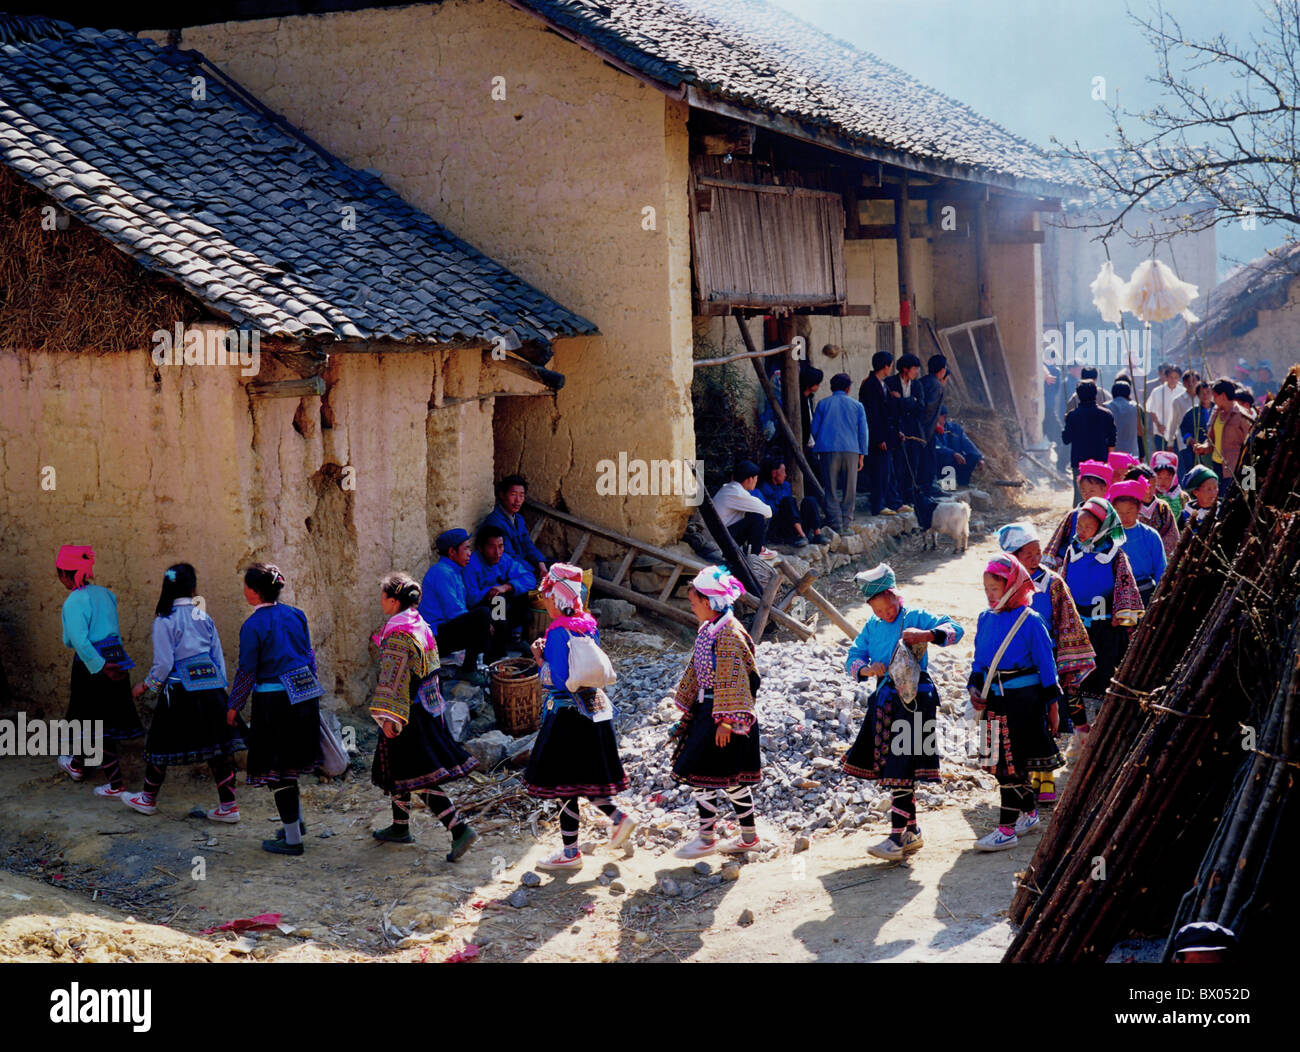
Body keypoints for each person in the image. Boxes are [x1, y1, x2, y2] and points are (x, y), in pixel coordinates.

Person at [841, 563, 963, 860]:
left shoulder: (916, 616)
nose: (885, 615)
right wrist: (867, 669)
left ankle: (898, 838)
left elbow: (955, 629)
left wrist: (926, 635)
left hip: (915, 703)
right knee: (898, 767)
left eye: (889, 608)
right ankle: (911, 832)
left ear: (897, 596)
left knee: (900, 766)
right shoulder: (872, 627)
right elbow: (853, 657)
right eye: (878, 611)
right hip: (885, 703)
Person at [522, 564, 638, 871]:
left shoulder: (558, 630)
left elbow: (556, 680)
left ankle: (571, 852)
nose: (544, 600)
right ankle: (619, 819)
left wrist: (539, 660)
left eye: (546, 595)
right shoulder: (588, 625)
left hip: (567, 716)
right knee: (586, 778)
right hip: (596, 709)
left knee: (566, 785)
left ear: (557, 596)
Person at [368, 573, 478, 860]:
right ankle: (399, 826)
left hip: (406, 712)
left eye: (383, 597)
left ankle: (458, 828)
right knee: (402, 770)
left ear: (393, 601)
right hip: (427, 706)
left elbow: (393, 679)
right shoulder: (419, 624)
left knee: (419, 775)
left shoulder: (397, 632)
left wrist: (390, 716)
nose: (380, 602)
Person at [122, 564, 244, 821]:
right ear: (192, 588)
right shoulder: (203, 617)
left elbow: (164, 665)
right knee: (219, 746)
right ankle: (229, 805)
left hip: (180, 690)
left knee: (160, 742)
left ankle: (147, 798)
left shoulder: (164, 620)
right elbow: (217, 657)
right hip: (211, 688)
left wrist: (145, 687)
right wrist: (220, 691)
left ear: (167, 586)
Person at [968, 554, 1064, 851]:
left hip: (1023, 702)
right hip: (994, 700)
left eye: (994, 588)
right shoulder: (985, 619)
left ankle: (1006, 830)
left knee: (1010, 765)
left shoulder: (1031, 621)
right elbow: (980, 661)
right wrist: (973, 687)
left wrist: (1053, 707)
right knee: (1002, 765)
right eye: (986, 589)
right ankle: (1030, 814)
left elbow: (1047, 668)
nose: (989, 594)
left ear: (1011, 585)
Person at [995, 523, 1095, 805]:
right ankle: (1027, 778)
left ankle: (1047, 779)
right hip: (1017, 665)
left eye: (1037, 552)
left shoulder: (1053, 583)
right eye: (1027, 554)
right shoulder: (1003, 585)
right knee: (1024, 721)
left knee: (1048, 719)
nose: (1035, 558)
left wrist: (1067, 658)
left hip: (1046, 659)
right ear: (1012, 557)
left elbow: (1068, 621)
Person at [227, 563, 323, 856]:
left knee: (277, 768)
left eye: (246, 586)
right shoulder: (296, 615)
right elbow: (309, 656)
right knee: (290, 763)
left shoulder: (253, 626)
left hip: (275, 703)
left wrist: (234, 705)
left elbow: (247, 670)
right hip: (305, 695)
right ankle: (297, 823)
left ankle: (292, 840)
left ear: (254, 592)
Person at [670, 566, 765, 858]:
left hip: (723, 715)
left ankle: (712, 838)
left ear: (710, 602)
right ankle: (735, 836)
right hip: (709, 711)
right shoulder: (710, 631)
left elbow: (737, 679)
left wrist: (726, 721)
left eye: (694, 602)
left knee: (712, 775)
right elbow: (697, 671)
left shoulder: (728, 636)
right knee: (718, 776)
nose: (692, 607)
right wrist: (687, 706)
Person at [54, 545, 145, 795]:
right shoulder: (106, 594)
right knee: (102, 719)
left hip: (92, 664)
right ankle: (77, 764)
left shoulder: (73, 601)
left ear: (63, 574)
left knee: (91, 722)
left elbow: (77, 641)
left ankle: (115, 784)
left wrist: (101, 666)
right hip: (117, 658)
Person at [1060, 499, 1143, 736]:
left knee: (1102, 673)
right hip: (1077, 628)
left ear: (1103, 528)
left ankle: (1101, 725)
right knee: (1074, 676)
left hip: (1105, 628)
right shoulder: (1072, 551)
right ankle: (1078, 727)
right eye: (1079, 525)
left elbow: (1126, 585)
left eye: (1088, 526)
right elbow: (1063, 583)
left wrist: (1122, 616)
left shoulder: (1114, 555)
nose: (1082, 530)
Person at [419, 528, 496, 680]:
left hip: (444, 631)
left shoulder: (454, 571)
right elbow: (453, 612)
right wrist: (483, 624)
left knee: (490, 611)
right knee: (482, 615)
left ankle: (485, 662)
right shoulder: (442, 572)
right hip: (434, 639)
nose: (469, 553)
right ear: (452, 552)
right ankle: (468, 669)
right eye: (466, 548)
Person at [810, 372, 869, 531]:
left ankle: (835, 523)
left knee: (831, 488)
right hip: (851, 450)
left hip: (828, 451)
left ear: (831, 388)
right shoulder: (857, 406)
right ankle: (846, 523)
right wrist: (862, 455)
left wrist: (823, 440)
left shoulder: (823, 404)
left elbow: (814, 429)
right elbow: (863, 433)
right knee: (849, 489)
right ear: (848, 389)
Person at [464, 524, 538, 647]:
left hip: (502, 607)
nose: (497, 552)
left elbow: (529, 579)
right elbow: (471, 599)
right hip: (483, 610)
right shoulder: (471, 565)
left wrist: (507, 586)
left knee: (523, 597)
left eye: (500, 546)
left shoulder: (504, 559)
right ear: (480, 548)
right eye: (492, 547)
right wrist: (491, 590)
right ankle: (498, 647)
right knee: (498, 601)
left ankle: (514, 638)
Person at [1043, 460, 1113, 570]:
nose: (1087, 494)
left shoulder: (1110, 515)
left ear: (1104, 489)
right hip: (1075, 563)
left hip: (1103, 564)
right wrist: (1060, 557)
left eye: (1091, 491)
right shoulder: (1075, 514)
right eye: (1083, 491)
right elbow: (1065, 540)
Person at [1109, 481, 1168, 607]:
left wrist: (1159, 594)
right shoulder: (1109, 536)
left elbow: (1160, 567)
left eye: (1129, 511)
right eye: (1119, 512)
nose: (1124, 517)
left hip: (1145, 590)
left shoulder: (1150, 535)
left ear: (1138, 509)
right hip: (1115, 593)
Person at [858, 351, 901, 516]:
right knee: (880, 472)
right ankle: (878, 504)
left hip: (887, 434)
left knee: (889, 471)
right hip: (878, 436)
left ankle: (894, 502)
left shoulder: (882, 384)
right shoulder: (870, 385)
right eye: (890, 365)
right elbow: (872, 415)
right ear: (886, 366)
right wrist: (879, 438)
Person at [481, 475, 547, 581]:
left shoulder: (518, 519)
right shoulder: (495, 522)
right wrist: (534, 572)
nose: (518, 500)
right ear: (502, 495)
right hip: (507, 572)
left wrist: (541, 564)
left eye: (521, 495)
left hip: (523, 566)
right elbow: (508, 557)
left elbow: (528, 545)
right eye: (513, 495)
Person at [1062, 382, 1117, 504]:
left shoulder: (1072, 415)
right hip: (1100, 460)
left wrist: (1066, 422)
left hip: (1079, 461)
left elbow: (1066, 440)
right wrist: (1110, 460)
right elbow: (1112, 439)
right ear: (1096, 394)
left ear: (1078, 395)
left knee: (1081, 494)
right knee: (1100, 493)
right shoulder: (1106, 414)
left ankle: (1079, 518)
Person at [885, 353, 924, 519]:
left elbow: (921, 406)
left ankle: (910, 499)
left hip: (913, 431)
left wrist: (901, 401)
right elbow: (889, 407)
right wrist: (910, 402)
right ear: (905, 369)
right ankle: (898, 499)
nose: (916, 372)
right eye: (914, 369)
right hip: (896, 429)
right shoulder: (890, 383)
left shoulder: (916, 385)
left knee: (913, 464)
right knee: (898, 464)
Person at [756, 459, 827, 547]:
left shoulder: (786, 486)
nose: (785, 475)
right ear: (774, 473)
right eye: (783, 472)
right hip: (780, 527)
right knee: (788, 501)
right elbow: (771, 512)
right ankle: (802, 535)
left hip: (794, 523)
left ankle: (817, 534)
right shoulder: (764, 489)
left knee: (809, 500)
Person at [713, 460, 774, 556]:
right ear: (750, 479)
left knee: (753, 513)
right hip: (723, 540)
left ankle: (758, 548)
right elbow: (768, 511)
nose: (756, 481)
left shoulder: (729, 488)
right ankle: (755, 553)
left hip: (721, 534)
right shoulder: (737, 493)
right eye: (756, 478)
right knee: (757, 517)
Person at [1194, 378, 1252, 480]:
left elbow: (1250, 445)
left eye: (1215, 395)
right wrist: (1203, 447)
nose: (1213, 399)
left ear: (1223, 396)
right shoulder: (1216, 412)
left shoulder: (1241, 416)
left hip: (1234, 469)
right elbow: (1211, 440)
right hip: (1216, 466)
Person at [1125, 464, 1179, 559]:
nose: (1150, 491)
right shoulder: (1125, 508)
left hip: (1161, 558)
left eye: (1153, 486)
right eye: (1146, 487)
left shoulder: (1162, 507)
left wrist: (1157, 553)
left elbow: (1172, 535)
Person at [918, 354, 948, 500]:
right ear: (942, 370)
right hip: (926, 431)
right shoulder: (937, 385)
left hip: (920, 428)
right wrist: (931, 426)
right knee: (928, 460)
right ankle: (928, 490)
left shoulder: (922, 381)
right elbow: (929, 409)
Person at [935, 407, 984, 487]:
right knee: (947, 457)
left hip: (956, 462)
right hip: (940, 462)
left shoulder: (955, 429)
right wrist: (953, 453)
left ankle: (962, 484)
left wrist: (979, 458)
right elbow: (937, 446)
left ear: (943, 417)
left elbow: (968, 444)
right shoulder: (930, 429)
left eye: (936, 417)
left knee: (973, 457)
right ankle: (948, 486)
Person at [1180, 380, 1215, 476]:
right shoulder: (1192, 412)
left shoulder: (1218, 410)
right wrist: (1191, 440)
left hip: (1216, 450)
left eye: (1208, 392)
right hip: (1198, 450)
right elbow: (1184, 428)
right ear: (1197, 395)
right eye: (1202, 393)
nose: (1205, 395)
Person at [1145, 364, 1183, 453]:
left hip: (1178, 433)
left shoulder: (1183, 391)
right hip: (1161, 432)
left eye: (1176, 377)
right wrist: (1158, 425)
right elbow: (1151, 409)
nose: (1173, 380)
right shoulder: (1157, 391)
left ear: (1179, 378)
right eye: (1171, 377)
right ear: (1166, 377)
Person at [1179, 465, 1220, 534]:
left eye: (1215, 488)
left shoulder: (1222, 511)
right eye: (1208, 489)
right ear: (1195, 492)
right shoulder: (1186, 515)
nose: (1213, 492)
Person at [1151, 450, 1187, 521]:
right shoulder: (1150, 496)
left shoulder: (1182, 497)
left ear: (1174, 477)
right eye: (1159, 477)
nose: (1163, 481)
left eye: (1168, 478)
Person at [1109, 380, 1140, 457]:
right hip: (1131, 451)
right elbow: (1140, 431)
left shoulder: (1107, 407)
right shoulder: (1136, 407)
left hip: (1113, 451)